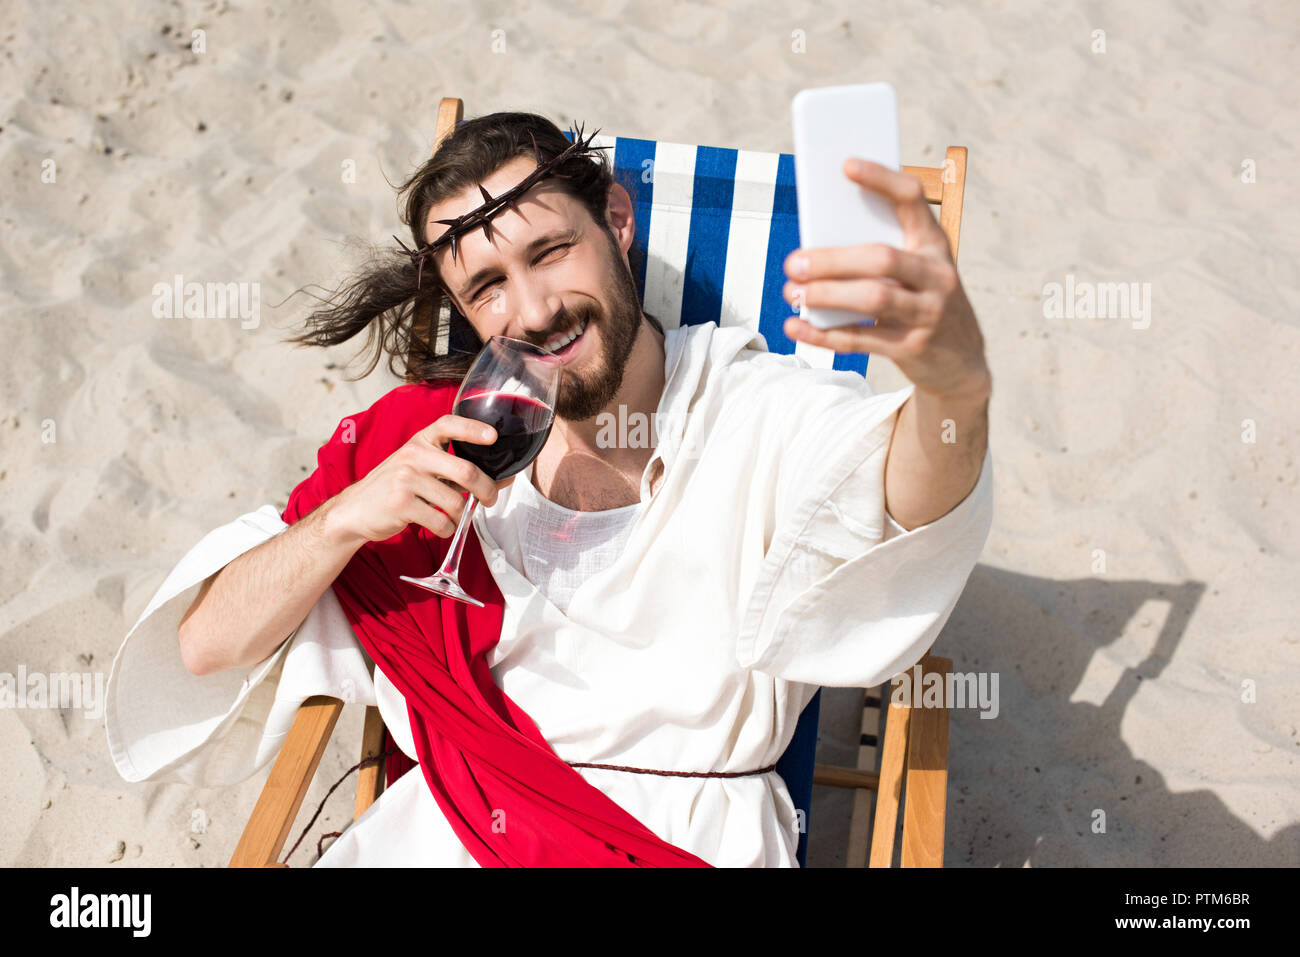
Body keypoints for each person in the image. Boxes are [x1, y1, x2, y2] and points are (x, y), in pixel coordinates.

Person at [104, 112, 994, 867]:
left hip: (676, 839)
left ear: (617, 217)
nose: (532, 312)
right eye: (489, 286)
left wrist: (954, 389)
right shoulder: (425, 442)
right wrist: (339, 522)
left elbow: (899, 497)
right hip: (450, 831)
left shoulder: (754, 412)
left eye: (551, 251)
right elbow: (204, 647)